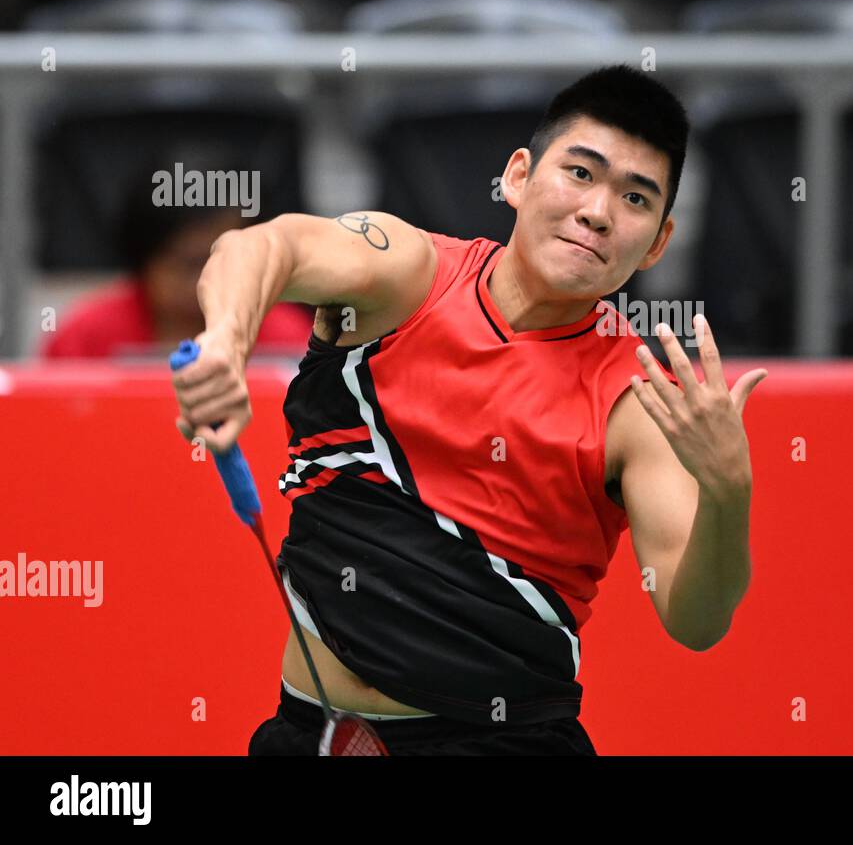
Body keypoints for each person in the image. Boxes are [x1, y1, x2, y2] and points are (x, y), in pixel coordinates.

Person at [170, 65, 767, 755]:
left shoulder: (636, 401)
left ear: (658, 241)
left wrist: (729, 493)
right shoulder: (406, 278)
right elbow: (259, 247)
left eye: (636, 198)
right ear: (518, 177)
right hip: (315, 734)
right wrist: (225, 342)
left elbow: (697, 622)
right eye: (580, 173)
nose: (599, 212)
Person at [40, 182, 313, 360]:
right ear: (144, 260)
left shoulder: (291, 339)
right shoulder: (82, 338)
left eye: (227, 259)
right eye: (190, 263)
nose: (209, 278)